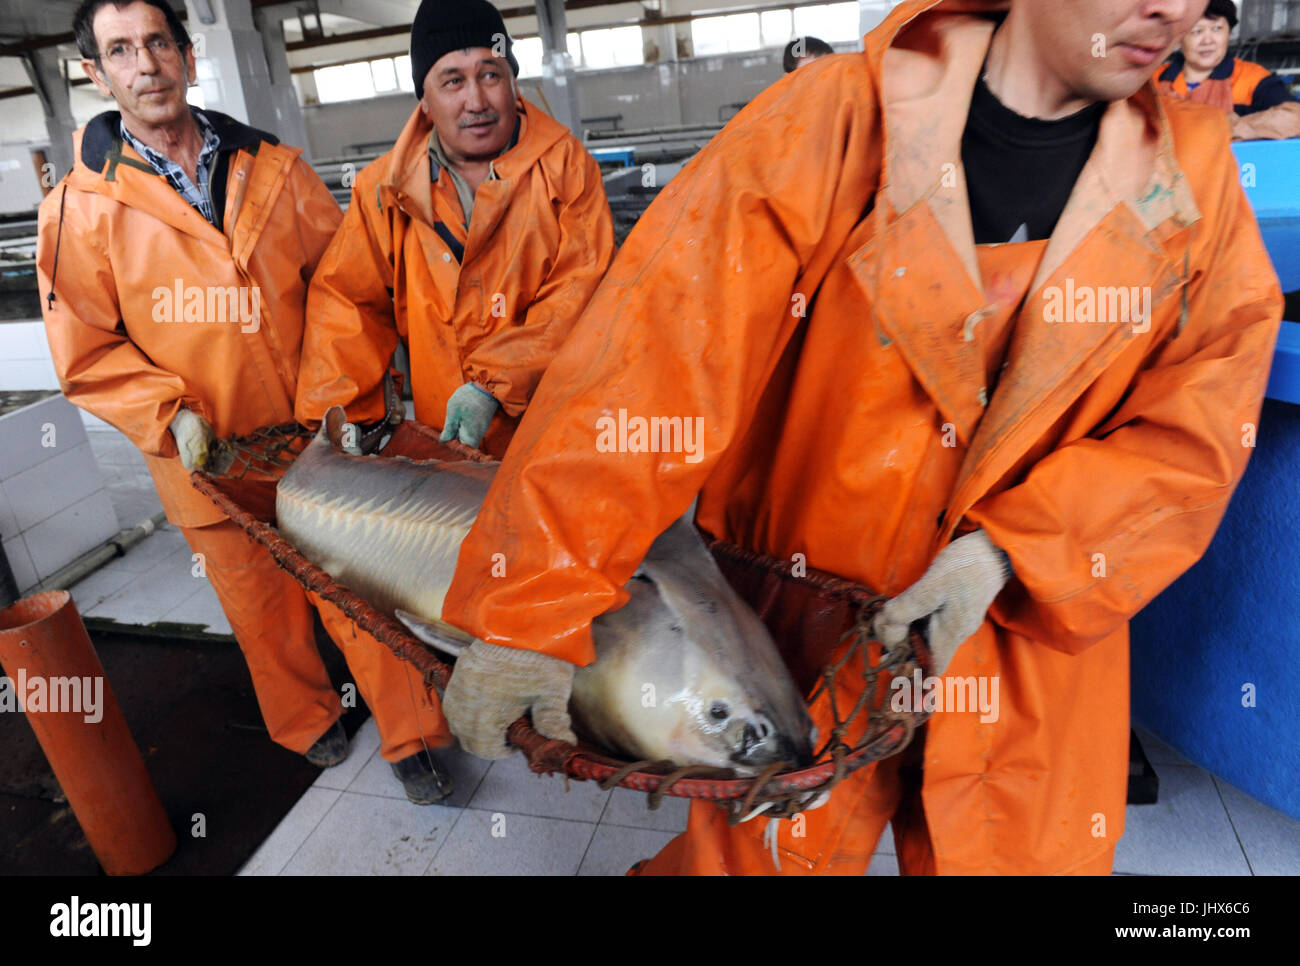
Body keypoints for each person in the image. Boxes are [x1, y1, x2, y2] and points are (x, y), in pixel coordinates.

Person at [437, 0, 1282, 875]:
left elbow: (1203, 424)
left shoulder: (1194, 177)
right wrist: (530, 606)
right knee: (762, 862)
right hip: (807, 628)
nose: (1174, 10)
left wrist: (1015, 552)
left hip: (1027, 640)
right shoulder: (833, 123)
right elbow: (655, 363)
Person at [37, 0, 444, 804]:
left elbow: (346, 289)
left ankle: (415, 735)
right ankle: (310, 721)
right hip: (206, 459)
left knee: (359, 599)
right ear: (96, 73)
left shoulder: (276, 168)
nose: (145, 64)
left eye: (158, 42)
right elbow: (84, 348)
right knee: (264, 614)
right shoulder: (79, 211)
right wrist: (168, 416)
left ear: (187, 53)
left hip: (314, 439)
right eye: (121, 50)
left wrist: (348, 400)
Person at [294, 0, 615, 794]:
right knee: (435, 586)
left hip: (547, 428)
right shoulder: (384, 191)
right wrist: (346, 416)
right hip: (443, 444)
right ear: (424, 98)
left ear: (513, 81)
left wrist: (495, 381)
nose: (477, 98)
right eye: (453, 80)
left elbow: (585, 292)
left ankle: (572, 716)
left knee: (554, 574)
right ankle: (445, 719)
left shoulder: (564, 168)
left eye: (492, 74)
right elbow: (345, 301)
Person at [1155, 0, 1300, 139]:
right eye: (1196, 31)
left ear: (1228, 32)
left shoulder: (1251, 79)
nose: (1207, 40)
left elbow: (1295, 117)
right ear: (1179, 37)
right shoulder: (1153, 81)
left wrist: (1229, 127)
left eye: (1217, 28)